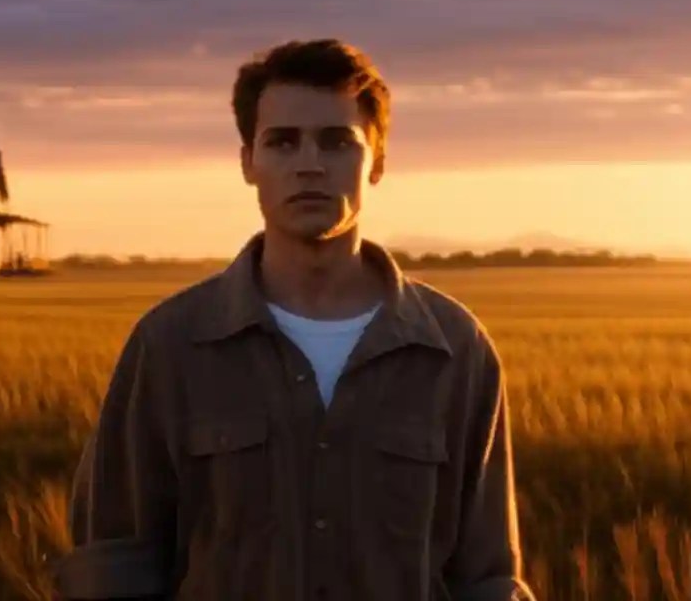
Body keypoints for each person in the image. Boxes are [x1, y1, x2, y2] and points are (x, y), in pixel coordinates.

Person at [51, 38, 535, 600]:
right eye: (282, 142)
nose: (309, 164)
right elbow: (114, 566)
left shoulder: (455, 350)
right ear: (248, 163)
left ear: (376, 163)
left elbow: (487, 578)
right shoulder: (171, 346)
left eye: (337, 142)